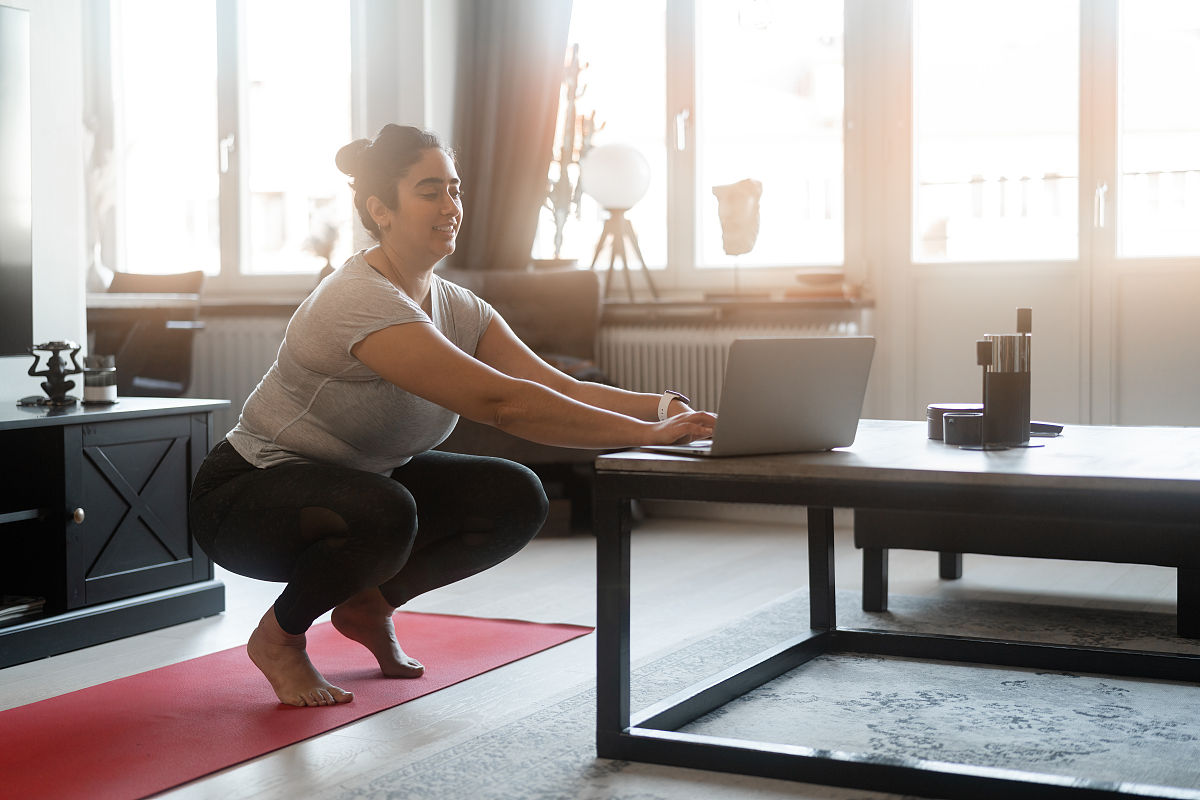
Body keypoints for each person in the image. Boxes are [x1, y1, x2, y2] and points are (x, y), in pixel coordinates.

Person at [189, 124, 716, 708]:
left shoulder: (457, 305)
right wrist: (644, 437)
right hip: (246, 497)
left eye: (456, 190)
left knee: (514, 494)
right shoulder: (358, 299)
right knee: (387, 511)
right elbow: (502, 402)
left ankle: (369, 606)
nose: (451, 206)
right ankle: (280, 639)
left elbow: (552, 384)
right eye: (430, 191)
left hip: (361, 486)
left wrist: (666, 411)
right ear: (379, 210)